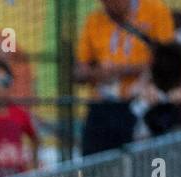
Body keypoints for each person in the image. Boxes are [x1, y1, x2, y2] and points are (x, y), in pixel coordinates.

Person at [75, 0, 175, 156]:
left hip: (142, 105)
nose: (109, 5)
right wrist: (98, 73)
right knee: (94, 167)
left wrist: (122, 70)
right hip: (102, 106)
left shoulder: (155, 10)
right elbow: (79, 71)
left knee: (147, 167)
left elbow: (169, 60)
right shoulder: (95, 19)